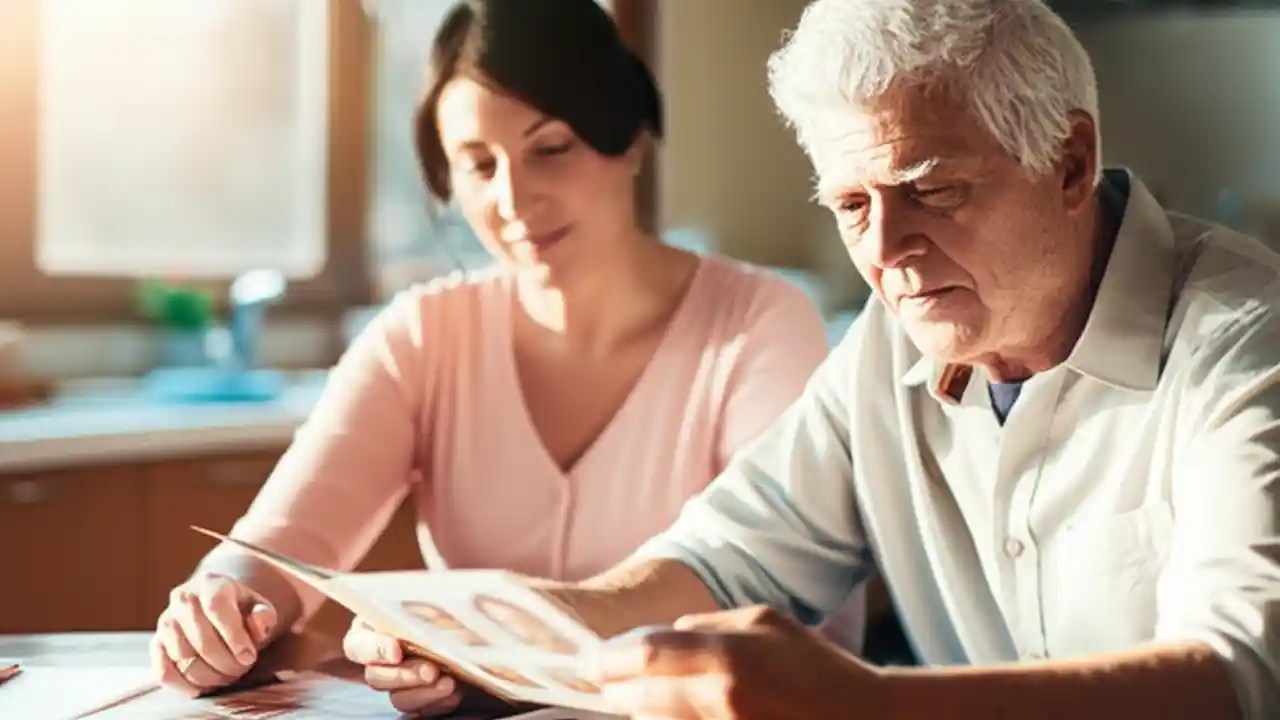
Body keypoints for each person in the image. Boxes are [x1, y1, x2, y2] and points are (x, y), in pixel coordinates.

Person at [344, 0, 1280, 717]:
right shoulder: (890, 342)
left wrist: (864, 705)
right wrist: (489, 641)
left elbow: (1242, 677)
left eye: (934, 192)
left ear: (1070, 163)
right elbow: (717, 561)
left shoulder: (1246, 342)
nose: (889, 254)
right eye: (851, 206)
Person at [149, 0, 832, 711]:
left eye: (552, 148)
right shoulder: (420, 336)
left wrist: (506, 653)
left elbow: (780, 592)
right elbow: (277, 548)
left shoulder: (761, 325)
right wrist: (220, 601)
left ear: (627, 137)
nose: (514, 198)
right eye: (477, 164)